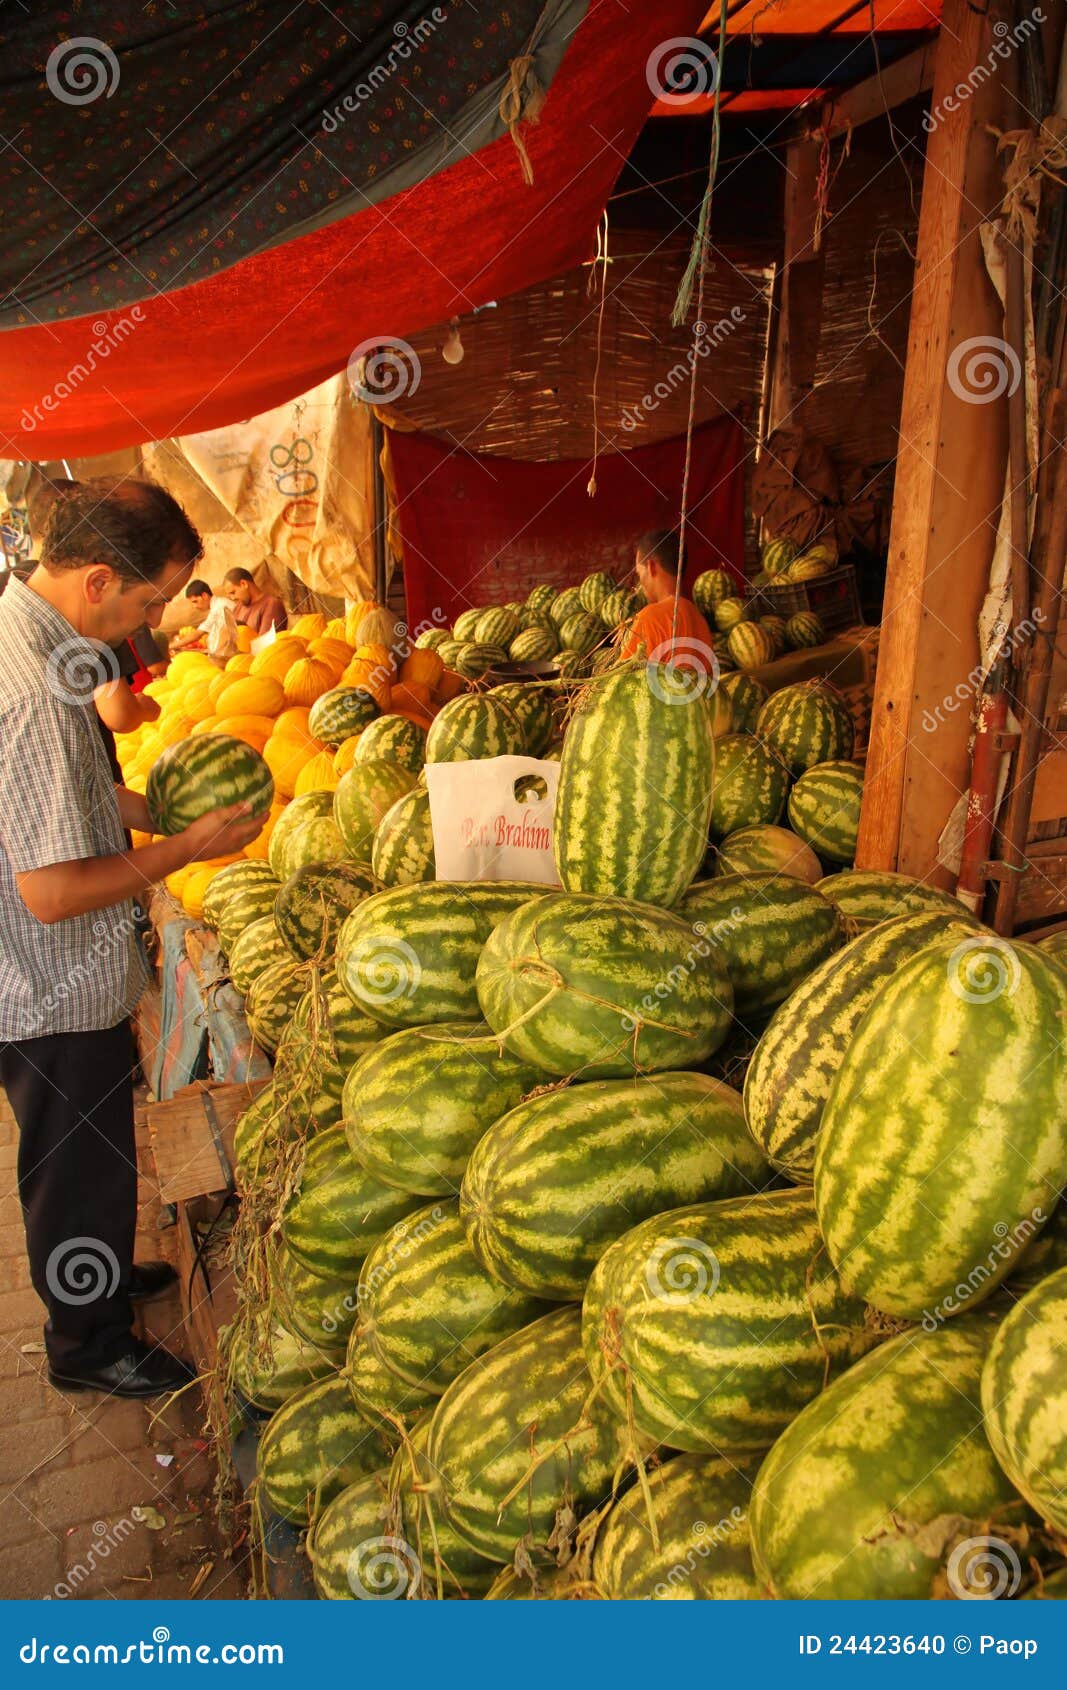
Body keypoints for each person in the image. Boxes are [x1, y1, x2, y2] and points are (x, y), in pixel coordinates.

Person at [0, 479, 263, 1399]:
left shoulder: (38, 639)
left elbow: (72, 788)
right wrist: (184, 849)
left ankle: (99, 1278)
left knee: (97, 1158)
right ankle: (87, 1346)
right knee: (74, 1170)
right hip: (48, 984)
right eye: (152, 602)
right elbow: (52, 892)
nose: (154, 623)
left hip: (59, 975)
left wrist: (156, 813)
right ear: (100, 581)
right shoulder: (35, 690)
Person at [619, 529, 716, 673]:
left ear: (651, 567)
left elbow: (619, 680)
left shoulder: (650, 618)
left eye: (639, 573)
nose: (639, 583)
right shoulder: (698, 618)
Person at [172, 578, 239, 660]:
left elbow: (197, 634)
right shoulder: (218, 604)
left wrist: (170, 646)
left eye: (195, 601)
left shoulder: (219, 607)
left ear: (205, 596)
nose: (194, 606)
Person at [222, 565, 287, 635]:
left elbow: (265, 640)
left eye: (233, 592)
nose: (233, 598)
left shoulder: (271, 605)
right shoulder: (237, 609)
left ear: (244, 584)